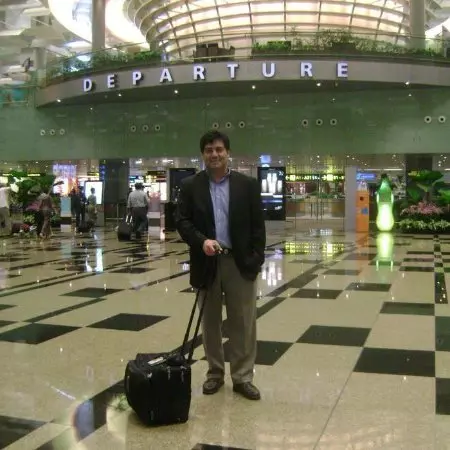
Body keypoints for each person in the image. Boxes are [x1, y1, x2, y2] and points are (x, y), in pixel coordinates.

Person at [176, 130, 266, 401]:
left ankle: (243, 377)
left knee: (243, 322)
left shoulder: (246, 185)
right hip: (207, 262)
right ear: (203, 154)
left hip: (239, 263)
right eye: (208, 150)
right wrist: (201, 241)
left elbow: (257, 226)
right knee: (211, 321)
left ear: (227, 152)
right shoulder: (191, 185)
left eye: (218, 149)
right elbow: (182, 221)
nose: (214, 154)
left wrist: (255, 259)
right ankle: (215, 373)